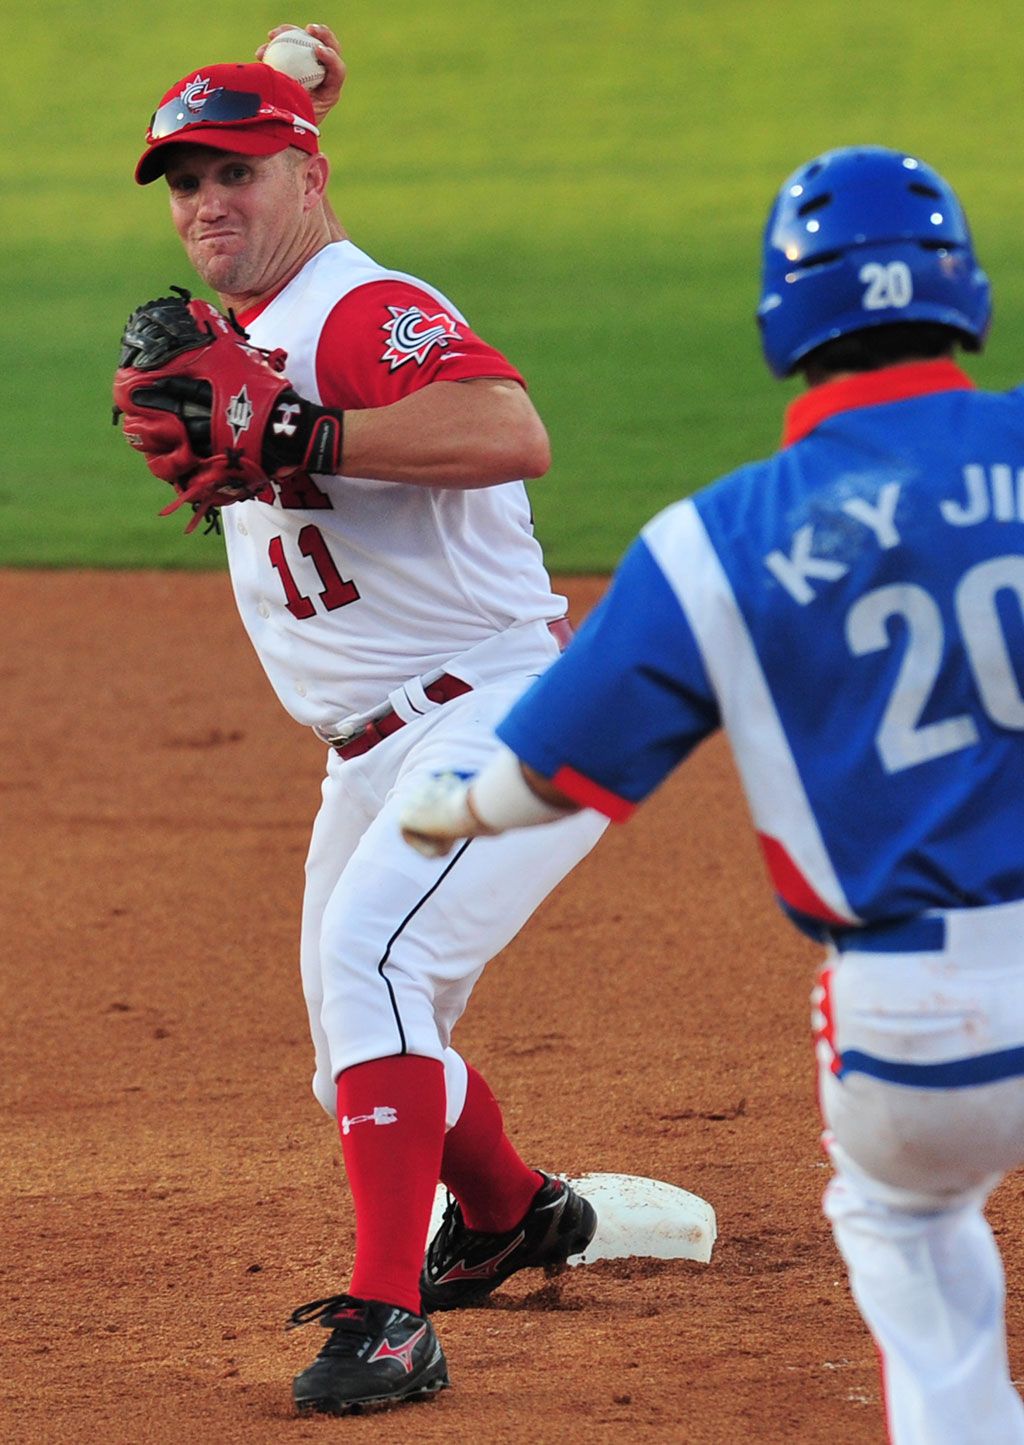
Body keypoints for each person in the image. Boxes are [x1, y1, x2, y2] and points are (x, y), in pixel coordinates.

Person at [399, 145, 1024, 1445]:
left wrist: (441, 800)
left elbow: (530, 780)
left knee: (908, 1225)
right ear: (959, 289)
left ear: (785, 317)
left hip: (917, 1035)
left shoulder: (716, 540)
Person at [119, 26, 606, 1418]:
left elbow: (510, 428)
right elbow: (253, 409)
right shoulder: (255, 330)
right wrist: (259, 419)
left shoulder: (357, 308)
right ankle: (513, 1212)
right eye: (185, 181)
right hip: (375, 748)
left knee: (374, 951)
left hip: (500, 707)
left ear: (308, 179)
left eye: (238, 175)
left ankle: (391, 1319)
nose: (208, 202)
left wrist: (297, 435)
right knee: (354, 1051)